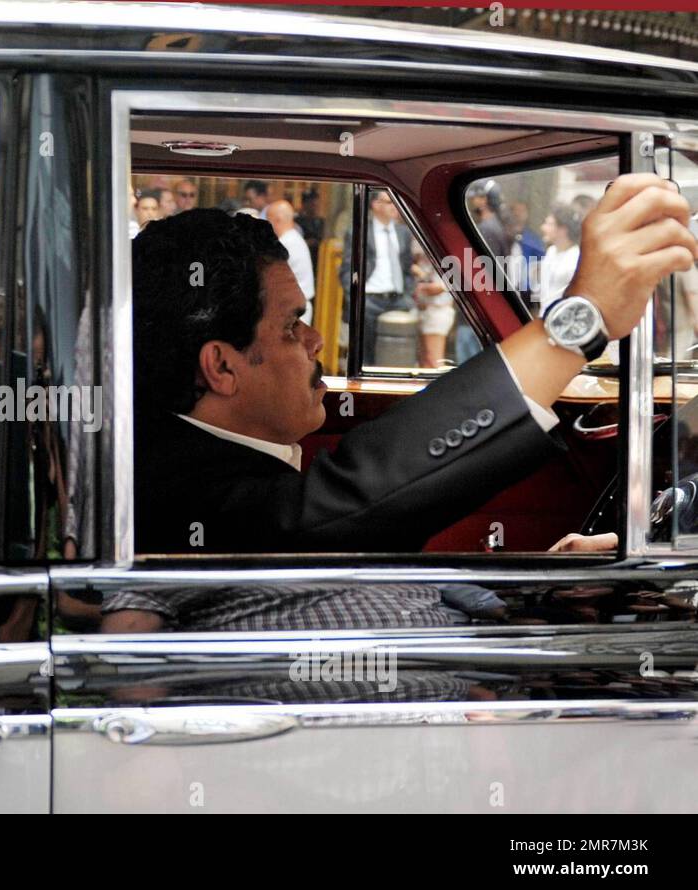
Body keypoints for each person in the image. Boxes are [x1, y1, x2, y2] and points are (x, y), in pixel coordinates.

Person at [107, 178, 697, 631]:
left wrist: (537, 584)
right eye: (292, 326)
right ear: (222, 366)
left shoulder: (189, 462)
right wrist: (578, 323)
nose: (315, 341)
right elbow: (343, 502)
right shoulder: (180, 495)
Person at [339, 188, 413, 365]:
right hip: (369, 301)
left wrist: (408, 295)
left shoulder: (403, 233)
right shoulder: (360, 231)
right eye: (389, 202)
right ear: (375, 204)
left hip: (397, 300)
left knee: (396, 356)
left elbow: (407, 268)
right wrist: (356, 299)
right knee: (366, 357)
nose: (394, 207)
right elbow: (347, 270)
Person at [265, 199, 314, 324]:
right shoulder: (293, 239)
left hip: (292, 310)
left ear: (277, 220)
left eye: (267, 220)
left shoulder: (287, 243)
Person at [538, 203, 582, 316]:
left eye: (549, 224)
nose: (543, 228)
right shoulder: (551, 251)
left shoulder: (575, 259)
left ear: (563, 229)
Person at [295, 186, 325, 271]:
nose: (314, 205)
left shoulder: (322, 222)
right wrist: (308, 243)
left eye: (316, 202)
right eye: (311, 202)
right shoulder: (297, 222)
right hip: (304, 261)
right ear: (304, 204)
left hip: (321, 263)